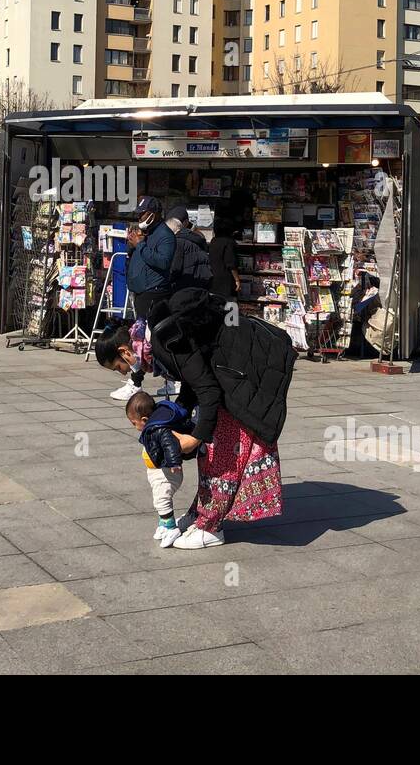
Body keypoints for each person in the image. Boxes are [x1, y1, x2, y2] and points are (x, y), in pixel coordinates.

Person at [95, 286, 292, 548]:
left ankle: (211, 527)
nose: (124, 373)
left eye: (119, 367)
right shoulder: (157, 338)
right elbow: (194, 379)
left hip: (242, 370)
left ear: (124, 351)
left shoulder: (163, 341)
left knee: (219, 452)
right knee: (214, 449)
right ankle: (202, 513)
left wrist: (196, 437)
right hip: (229, 369)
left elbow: (208, 390)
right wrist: (177, 416)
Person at [111, 195, 175, 401]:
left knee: (144, 341)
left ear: (154, 215)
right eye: (139, 213)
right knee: (145, 340)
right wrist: (134, 246)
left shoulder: (165, 235)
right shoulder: (146, 235)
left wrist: (140, 245)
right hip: (142, 293)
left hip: (154, 293)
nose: (140, 217)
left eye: (144, 213)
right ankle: (170, 379)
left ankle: (137, 382)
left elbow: (163, 262)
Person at [125, 390, 197, 548]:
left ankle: (171, 527)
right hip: (158, 471)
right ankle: (163, 525)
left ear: (144, 419)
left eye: (133, 422)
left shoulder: (158, 429)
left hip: (167, 472)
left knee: (161, 499)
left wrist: (174, 462)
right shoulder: (153, 426)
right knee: (158, 498)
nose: (133, 426)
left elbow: (169, 444)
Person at [167, 205, 212, 292]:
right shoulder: (196, 237)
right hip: (200, 284)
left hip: (185, 287)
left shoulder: (179, 241)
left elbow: (174, 269)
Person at [207, 213, 241, 300]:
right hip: (225, 281)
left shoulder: (213, 241)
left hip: (213, 278)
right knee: (227, 305)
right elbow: (231, 264)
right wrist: (237, 280)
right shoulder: (229, 242)